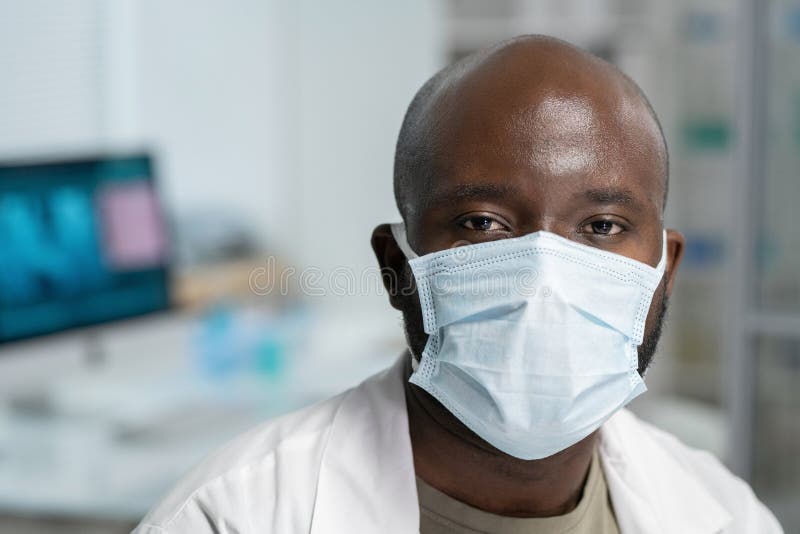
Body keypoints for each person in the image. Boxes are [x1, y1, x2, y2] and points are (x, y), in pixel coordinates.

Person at [134, 35, 782, 534]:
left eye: (602, 225)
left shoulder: (722, 515)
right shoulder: (228, 518)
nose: (545, 280)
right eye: (483, 222)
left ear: (663, 273)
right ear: (398, 270)